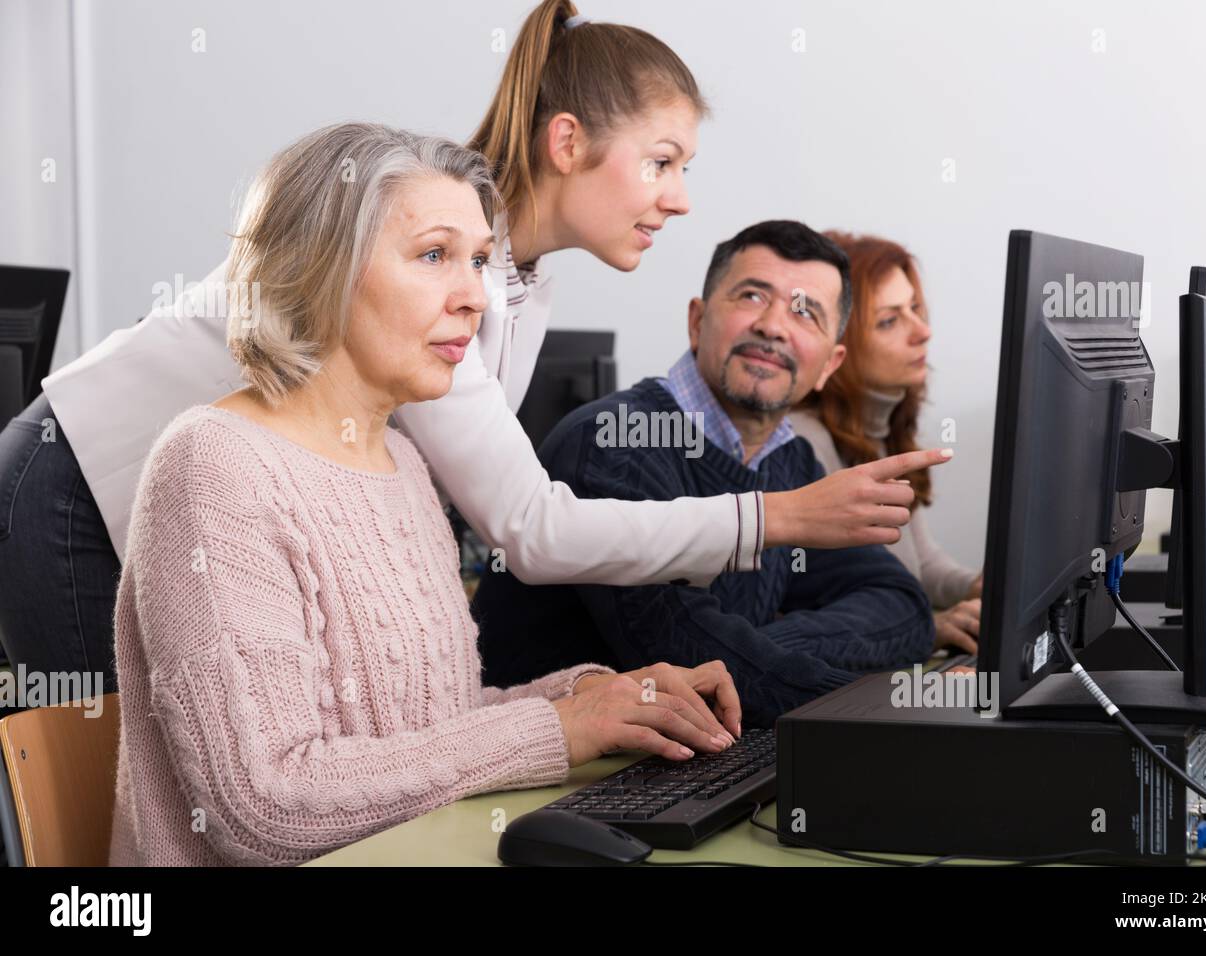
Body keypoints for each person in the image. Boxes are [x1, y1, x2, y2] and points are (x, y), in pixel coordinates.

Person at [0, 0, 946, 694]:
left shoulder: (513, 276)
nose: (680, 196)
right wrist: (773, 520)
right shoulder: (453, 258)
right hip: (78, 479)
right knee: (99, 789)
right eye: (662, 161)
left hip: (176, 505)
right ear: (568, 142)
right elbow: (530, 527)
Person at [111, 123, 748, 867]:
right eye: (435, 255)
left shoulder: (404, 464)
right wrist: (560, 730)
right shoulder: (213, 466)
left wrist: (598, 699)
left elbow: (422, 735)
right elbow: (267, 804)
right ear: (319, 270)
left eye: (479, 261)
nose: (473, 297)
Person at [473, 221, 940, 730]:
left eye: (806, 312)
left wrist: (757, 648)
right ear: (697, 322)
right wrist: (895, 703)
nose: (774, 326)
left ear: (830, 364)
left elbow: (901, 610)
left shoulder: (793, 463)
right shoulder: (613, 442)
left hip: (682, 764)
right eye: (752, 295)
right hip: (549, 785)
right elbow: (691, 661)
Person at [789, 233, 982, 655]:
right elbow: (814, 614)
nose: (923, 331)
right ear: (837, 344)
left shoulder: (878, 431)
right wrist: (929, 628)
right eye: (890, 320)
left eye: (915, 308)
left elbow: (920, 563)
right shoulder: (802, 443)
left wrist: (975, 586)